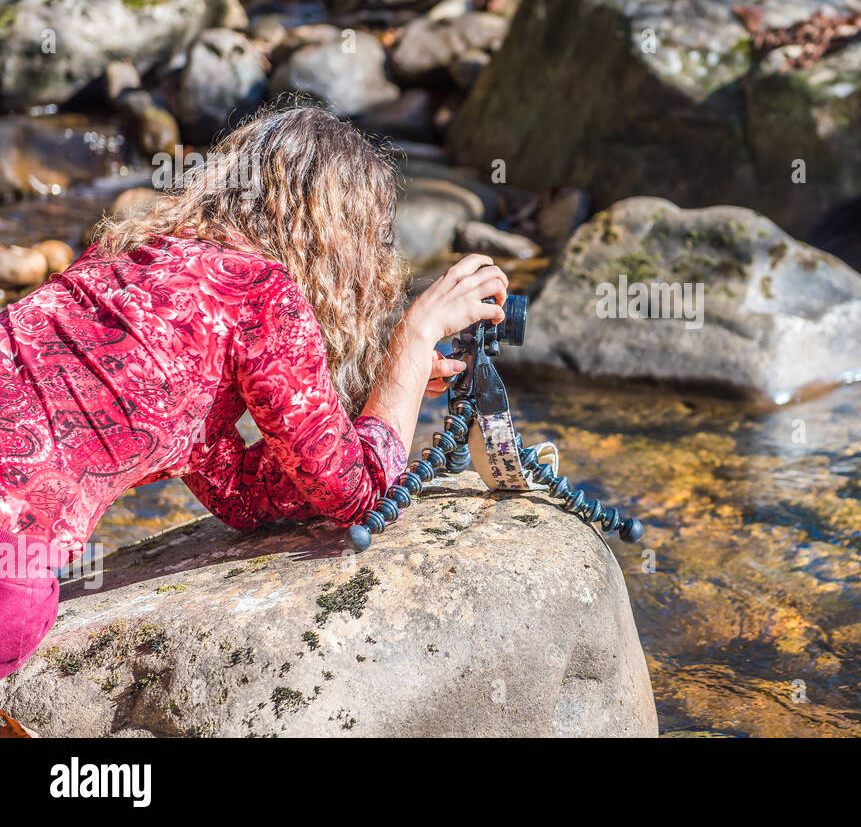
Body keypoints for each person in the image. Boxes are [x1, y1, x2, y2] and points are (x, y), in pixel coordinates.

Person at [0, 106, 507, 682]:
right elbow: (355, 494)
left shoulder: (125, 259)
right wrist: (411, 345)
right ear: (338, 236)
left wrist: (388, 392)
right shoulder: (262, 292)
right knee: (22, 607)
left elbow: (238, 492)